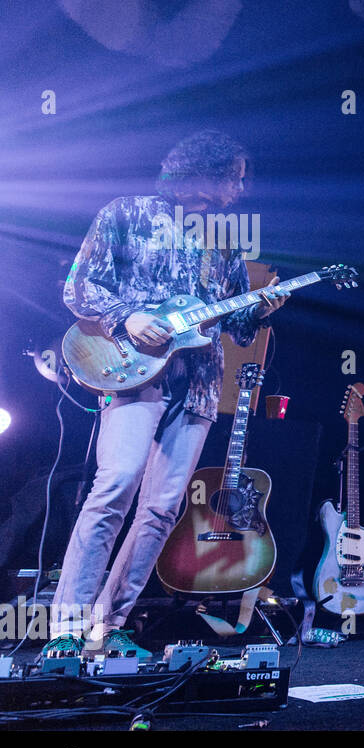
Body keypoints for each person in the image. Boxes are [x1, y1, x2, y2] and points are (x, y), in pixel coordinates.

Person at [45, 130, 289, 661]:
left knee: (159, 510)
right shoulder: (126, 213)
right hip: (132, 372)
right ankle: (66, 627)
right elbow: (79, 286)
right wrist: (127, 316)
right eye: (235, 177)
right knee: (116, 487)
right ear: (205, 172)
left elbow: (231, 322)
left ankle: (111, 626)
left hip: (198, 383)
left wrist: (260, 307)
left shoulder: (222, 240)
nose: (241, 189)